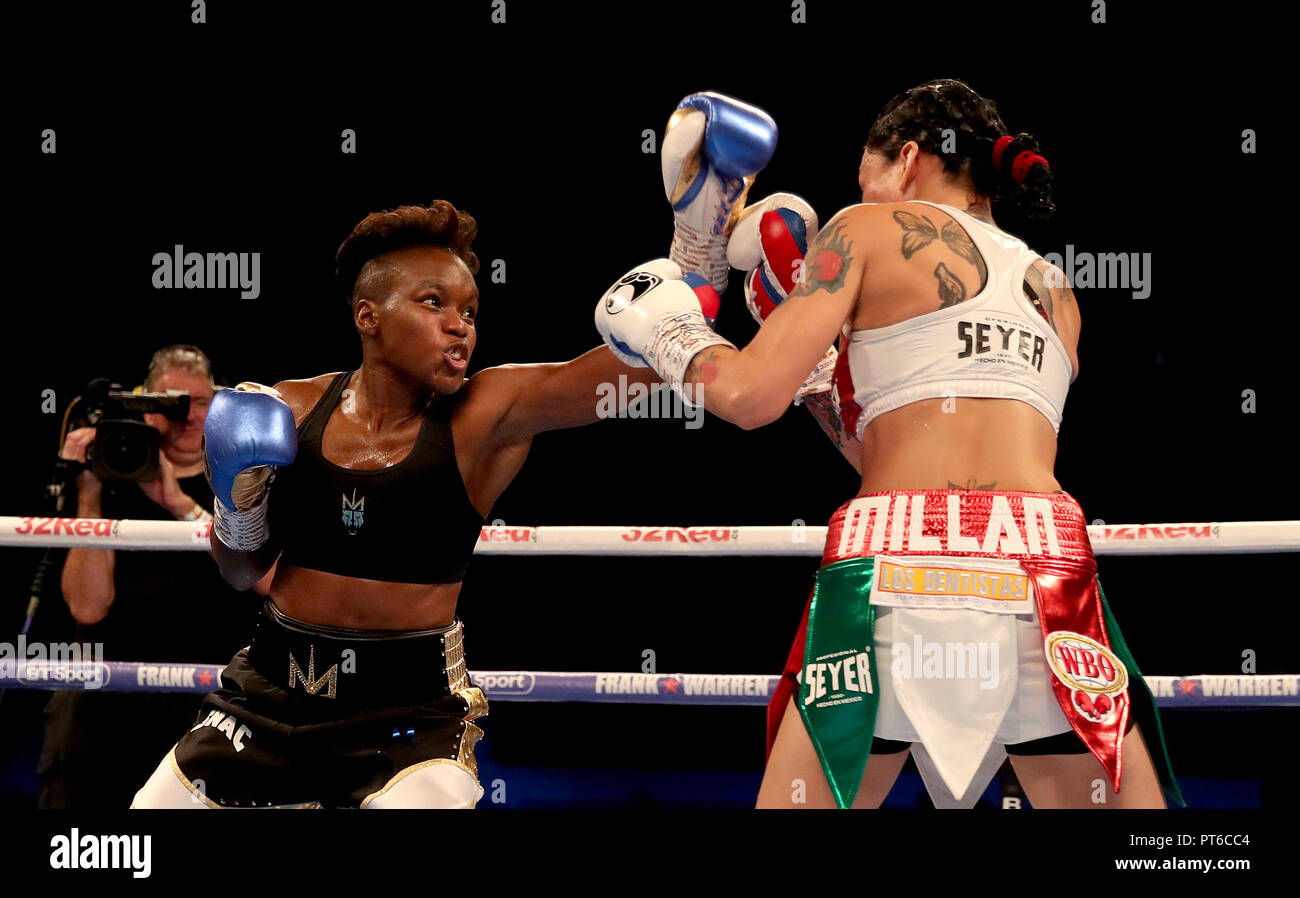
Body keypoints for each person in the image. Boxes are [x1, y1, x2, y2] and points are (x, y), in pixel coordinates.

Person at [596, 80, 1182, 809]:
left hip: (895, 565)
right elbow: (900, 446)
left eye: (866, 176)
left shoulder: (867, 231)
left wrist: (669, 334)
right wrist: (820, 383)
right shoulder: (1057, 290)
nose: (864, 195)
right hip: (1043, 569)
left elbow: (747, 398)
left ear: (907, 158)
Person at [131, 200, 680, 808]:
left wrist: (693, 260)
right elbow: (241, 571)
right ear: (369, 316)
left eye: (470, 310)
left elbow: (627, 378)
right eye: (433, 302)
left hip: (409, 715)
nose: (460, 325)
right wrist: (238, 503)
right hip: (266, 693)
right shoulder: (290, 408)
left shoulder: (484, 416)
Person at [40, 345, 262, 807]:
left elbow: (259, 580)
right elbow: (87, 606)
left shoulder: (244, 479)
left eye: (199, 402)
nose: (186, 416)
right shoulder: (110, 473)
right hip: (111, 686)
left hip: (213, 691)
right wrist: (89, 494)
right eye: (169, 403)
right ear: (142, 409)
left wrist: (177, 503)